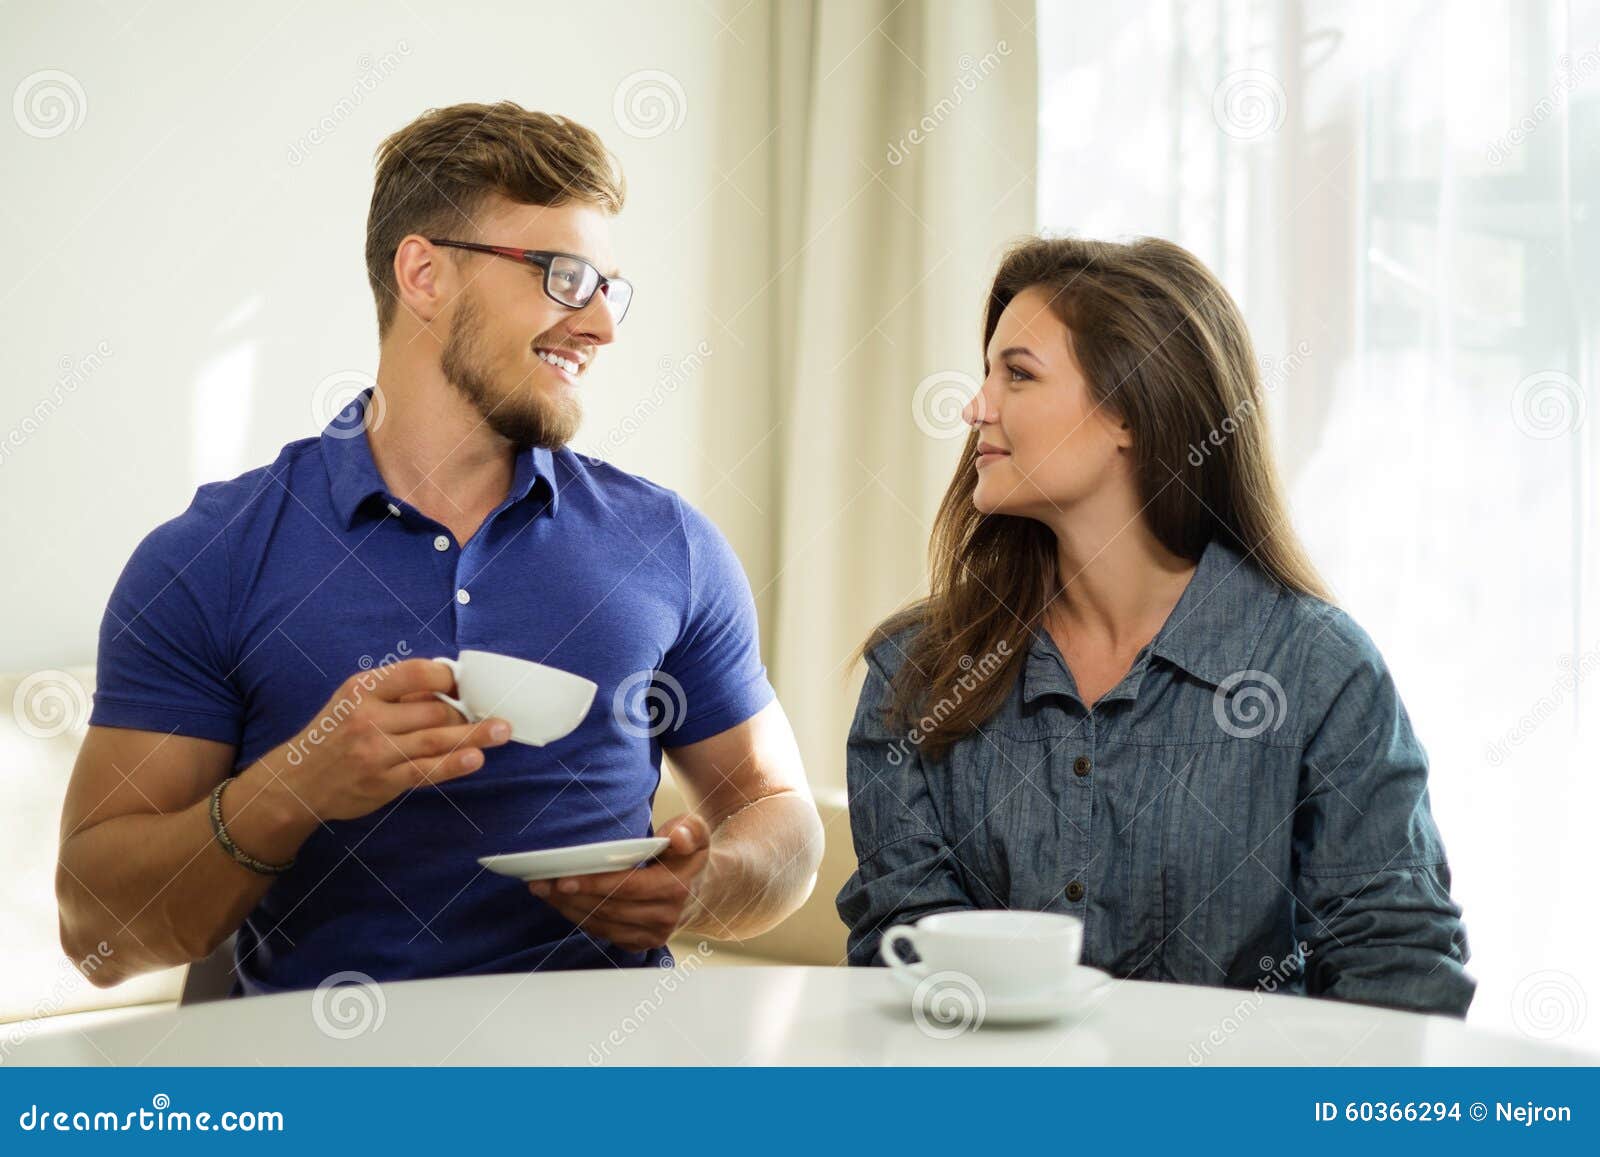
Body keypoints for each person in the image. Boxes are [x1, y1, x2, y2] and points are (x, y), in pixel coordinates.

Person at [57, 101, 823, 996]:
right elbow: (97, 933)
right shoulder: (210, 557)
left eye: (610, 289)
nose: (603, 326)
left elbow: (780, 815)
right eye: (567, 277)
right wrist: (294, 785)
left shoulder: (669, 544)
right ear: (423, 274)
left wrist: (703, 888)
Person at [837, 235, 1474, 1016]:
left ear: (1131, 411)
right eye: (986, 371)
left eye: (1019, 374)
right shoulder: (914, 671)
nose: (975, 405)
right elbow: (902, 957)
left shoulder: (1317, 670)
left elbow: (1399, 972)